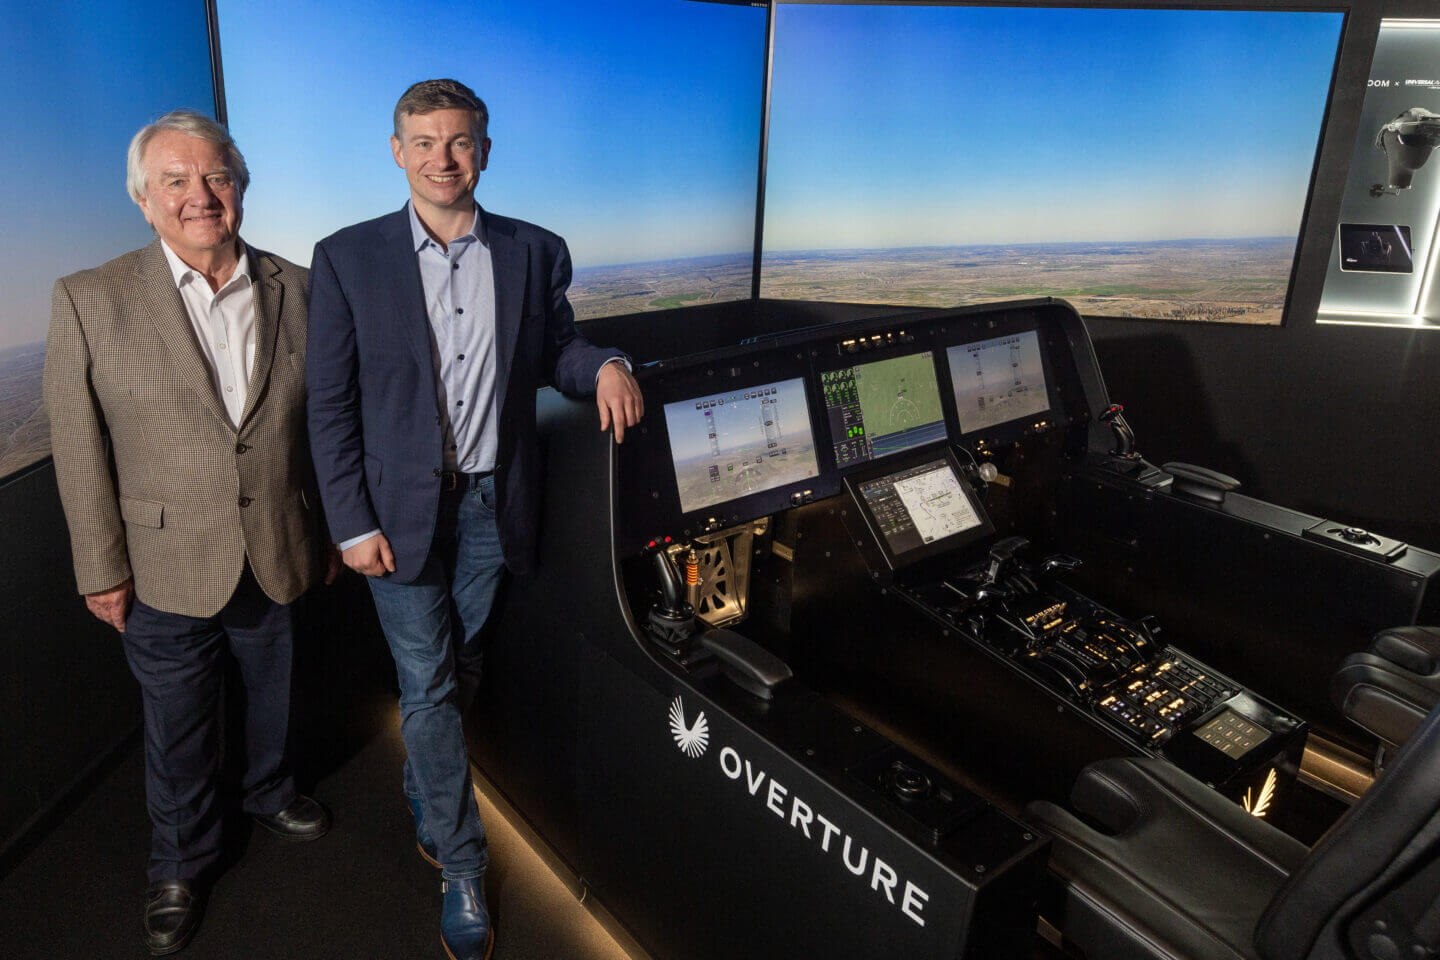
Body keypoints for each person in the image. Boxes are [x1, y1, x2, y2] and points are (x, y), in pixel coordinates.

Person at [306, 78, 643, 960]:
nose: (442, 159)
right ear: (396, 151)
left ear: (485, 151)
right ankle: (461, 860)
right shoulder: (345, 259)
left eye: (459, 142)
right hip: (394, 510)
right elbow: (330, 406)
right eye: (423, 142)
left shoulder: (535, 252)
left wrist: (604, 362)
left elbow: (556, 349)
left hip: (498, 501)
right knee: (428, 681)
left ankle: (429, 781)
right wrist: (348, 522)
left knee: (464, 660)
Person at [43, 109, 336, 956]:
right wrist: (100, 567)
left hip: (279, 543)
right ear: (143, 199)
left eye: (216, 178)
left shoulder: (299, 285)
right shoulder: (88, 297)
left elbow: (320, 423)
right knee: (177, 725)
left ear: (240, 188)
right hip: (156, 560)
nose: (199, 197)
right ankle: (179, 861)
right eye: (175, 181)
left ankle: (270, 791)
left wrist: (325, 532)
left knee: (274, 694)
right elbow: (78, 445)